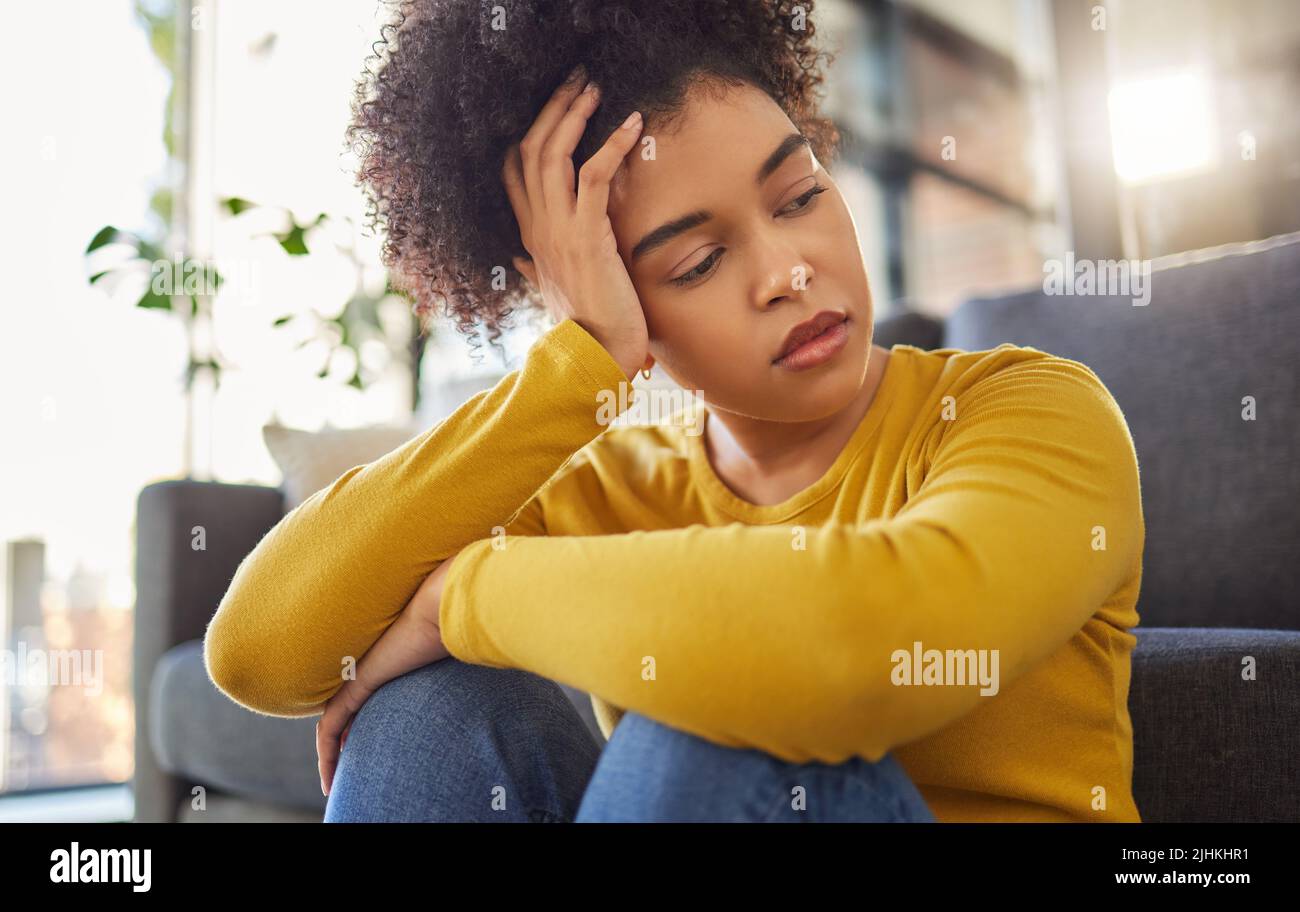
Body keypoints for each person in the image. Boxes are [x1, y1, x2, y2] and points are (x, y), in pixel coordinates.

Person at [204, 0, 1145, 823]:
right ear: (606, 292)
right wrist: (577, 370)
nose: (789, 272)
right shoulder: (612, 486)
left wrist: (460, 598)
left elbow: (860, 649)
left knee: (723, 715)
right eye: (696, 263)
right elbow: (262, 652)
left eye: (801, 194)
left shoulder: (1029, 408)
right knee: (429, 714)